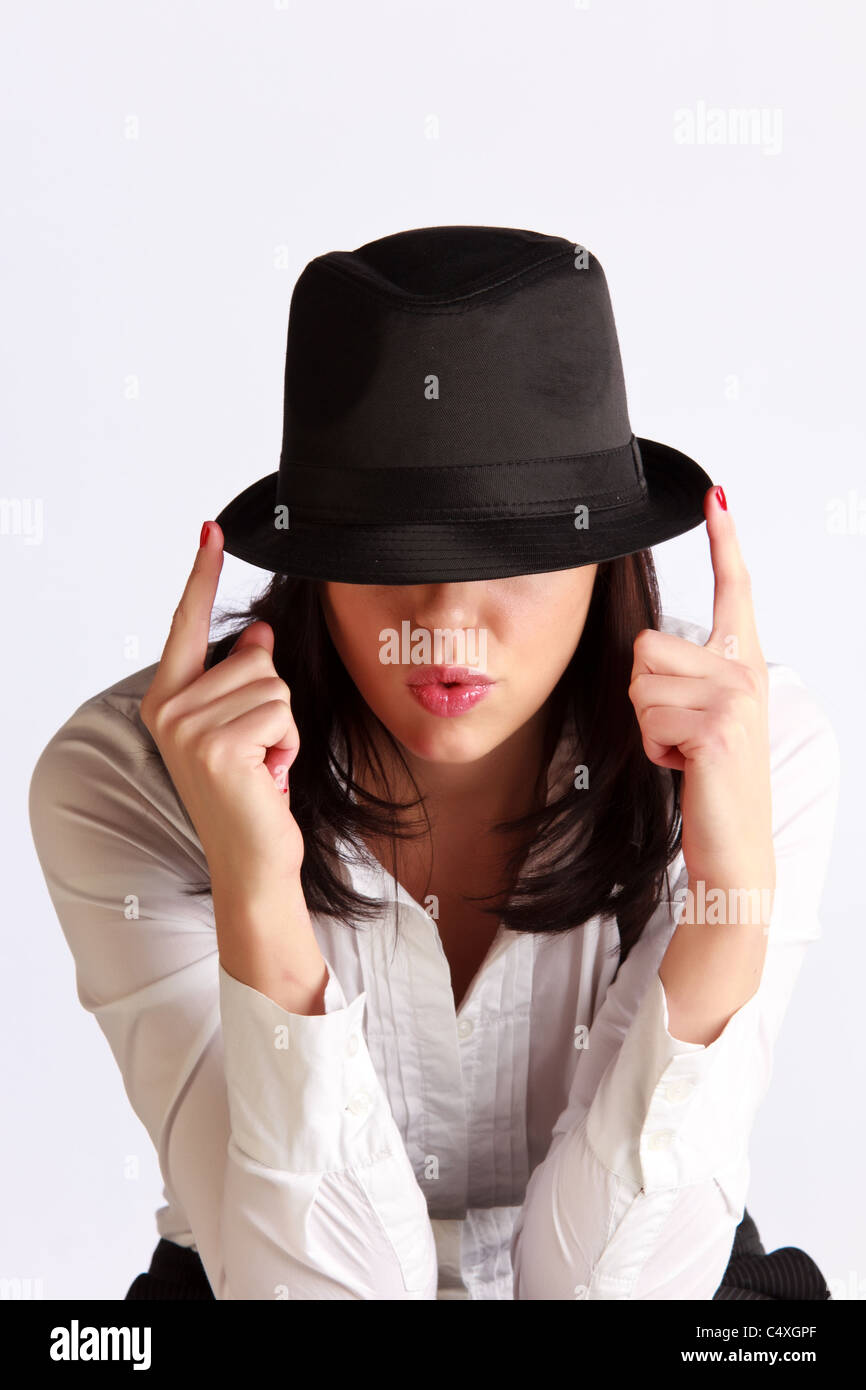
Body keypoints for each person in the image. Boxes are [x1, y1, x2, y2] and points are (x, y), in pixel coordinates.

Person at [27, 227, 839, 1299]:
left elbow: (613, 1292)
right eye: (388, 549)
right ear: (314, 558)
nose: (447, 620)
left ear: (607, 552)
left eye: (512, 550)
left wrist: (728, 904)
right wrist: (258, 895)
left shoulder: (748, 750)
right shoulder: (130, 777)